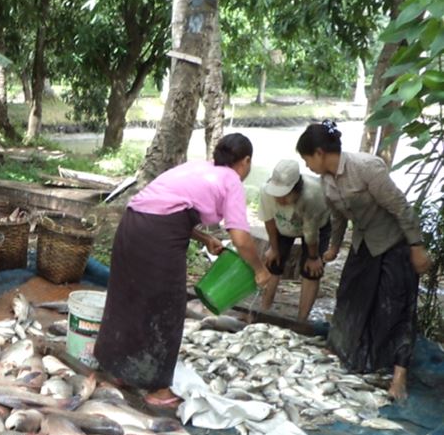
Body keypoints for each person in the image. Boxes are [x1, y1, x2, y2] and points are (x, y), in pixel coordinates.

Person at [94, 134, 270, 408]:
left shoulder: (199, 167)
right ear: (245, 161)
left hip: (131, 226)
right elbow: (241, 240)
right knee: (168, 304)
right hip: (157, 236)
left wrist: (204, 238)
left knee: (127, 295)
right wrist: (260, 270)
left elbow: (165, 206)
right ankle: (159, 387)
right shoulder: (231, 179)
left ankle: (118, 369)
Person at [296, 120, 430, 401]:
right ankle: (341, 349)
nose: (307, 166)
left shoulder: (366, 167)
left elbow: (400, 207)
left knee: (395, 308)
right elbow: (339, 217)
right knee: (348, 295)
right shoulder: (326, 179)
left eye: (307, 159)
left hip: (394, 244)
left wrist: (416, 246)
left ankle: (398, 377)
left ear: (319, 153)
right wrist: (333, 247)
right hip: (363, 244)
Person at [259, 159, 332, 321]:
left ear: (296, 190)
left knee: (312, 271)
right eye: (276, 194)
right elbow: (269, 220)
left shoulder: (311, 196)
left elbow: (311, 234)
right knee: (274, 263)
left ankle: (301, 320)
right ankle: (263, 311)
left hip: (317, 225)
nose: (279, 200)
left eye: (284, 196)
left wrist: (313, 257)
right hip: (283, 226)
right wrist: (274, 248)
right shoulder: (265, 192)